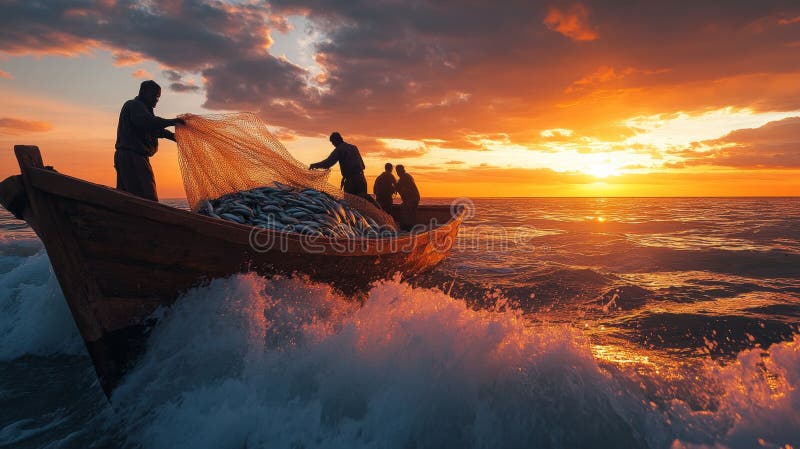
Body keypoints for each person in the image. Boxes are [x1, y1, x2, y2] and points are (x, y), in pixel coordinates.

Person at [114, 80, 184, 201]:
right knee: (147, 197)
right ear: (143, 92)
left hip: (130, 157)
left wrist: (174, 137)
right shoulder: (134, 105)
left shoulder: (143, 109)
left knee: (126, 197)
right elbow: (148, 122)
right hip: (132, 157)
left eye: (158, 97)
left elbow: (154, 130)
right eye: (155, 95)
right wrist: (172, 121)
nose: (157, 99)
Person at [309, 132, 368, 197]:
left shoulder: (339, 149)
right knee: (363, 203)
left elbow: (328, 163)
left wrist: (315, 165)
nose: (333, 144)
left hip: (352, 182)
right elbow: (363, 166)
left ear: (336, 140)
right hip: (362, 179)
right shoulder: (354, 147)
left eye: (332, 142)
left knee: (350, 203)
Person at [395, 165, 420, 229]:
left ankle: (408, 227)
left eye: (397, 171)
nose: (397, 173)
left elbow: (397, 186)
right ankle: (411, 226)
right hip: (414, 198)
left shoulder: (404, 177)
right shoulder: (406, 176)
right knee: (410, 212)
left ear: (400, 171)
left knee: (406, 210)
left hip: (412, 198)